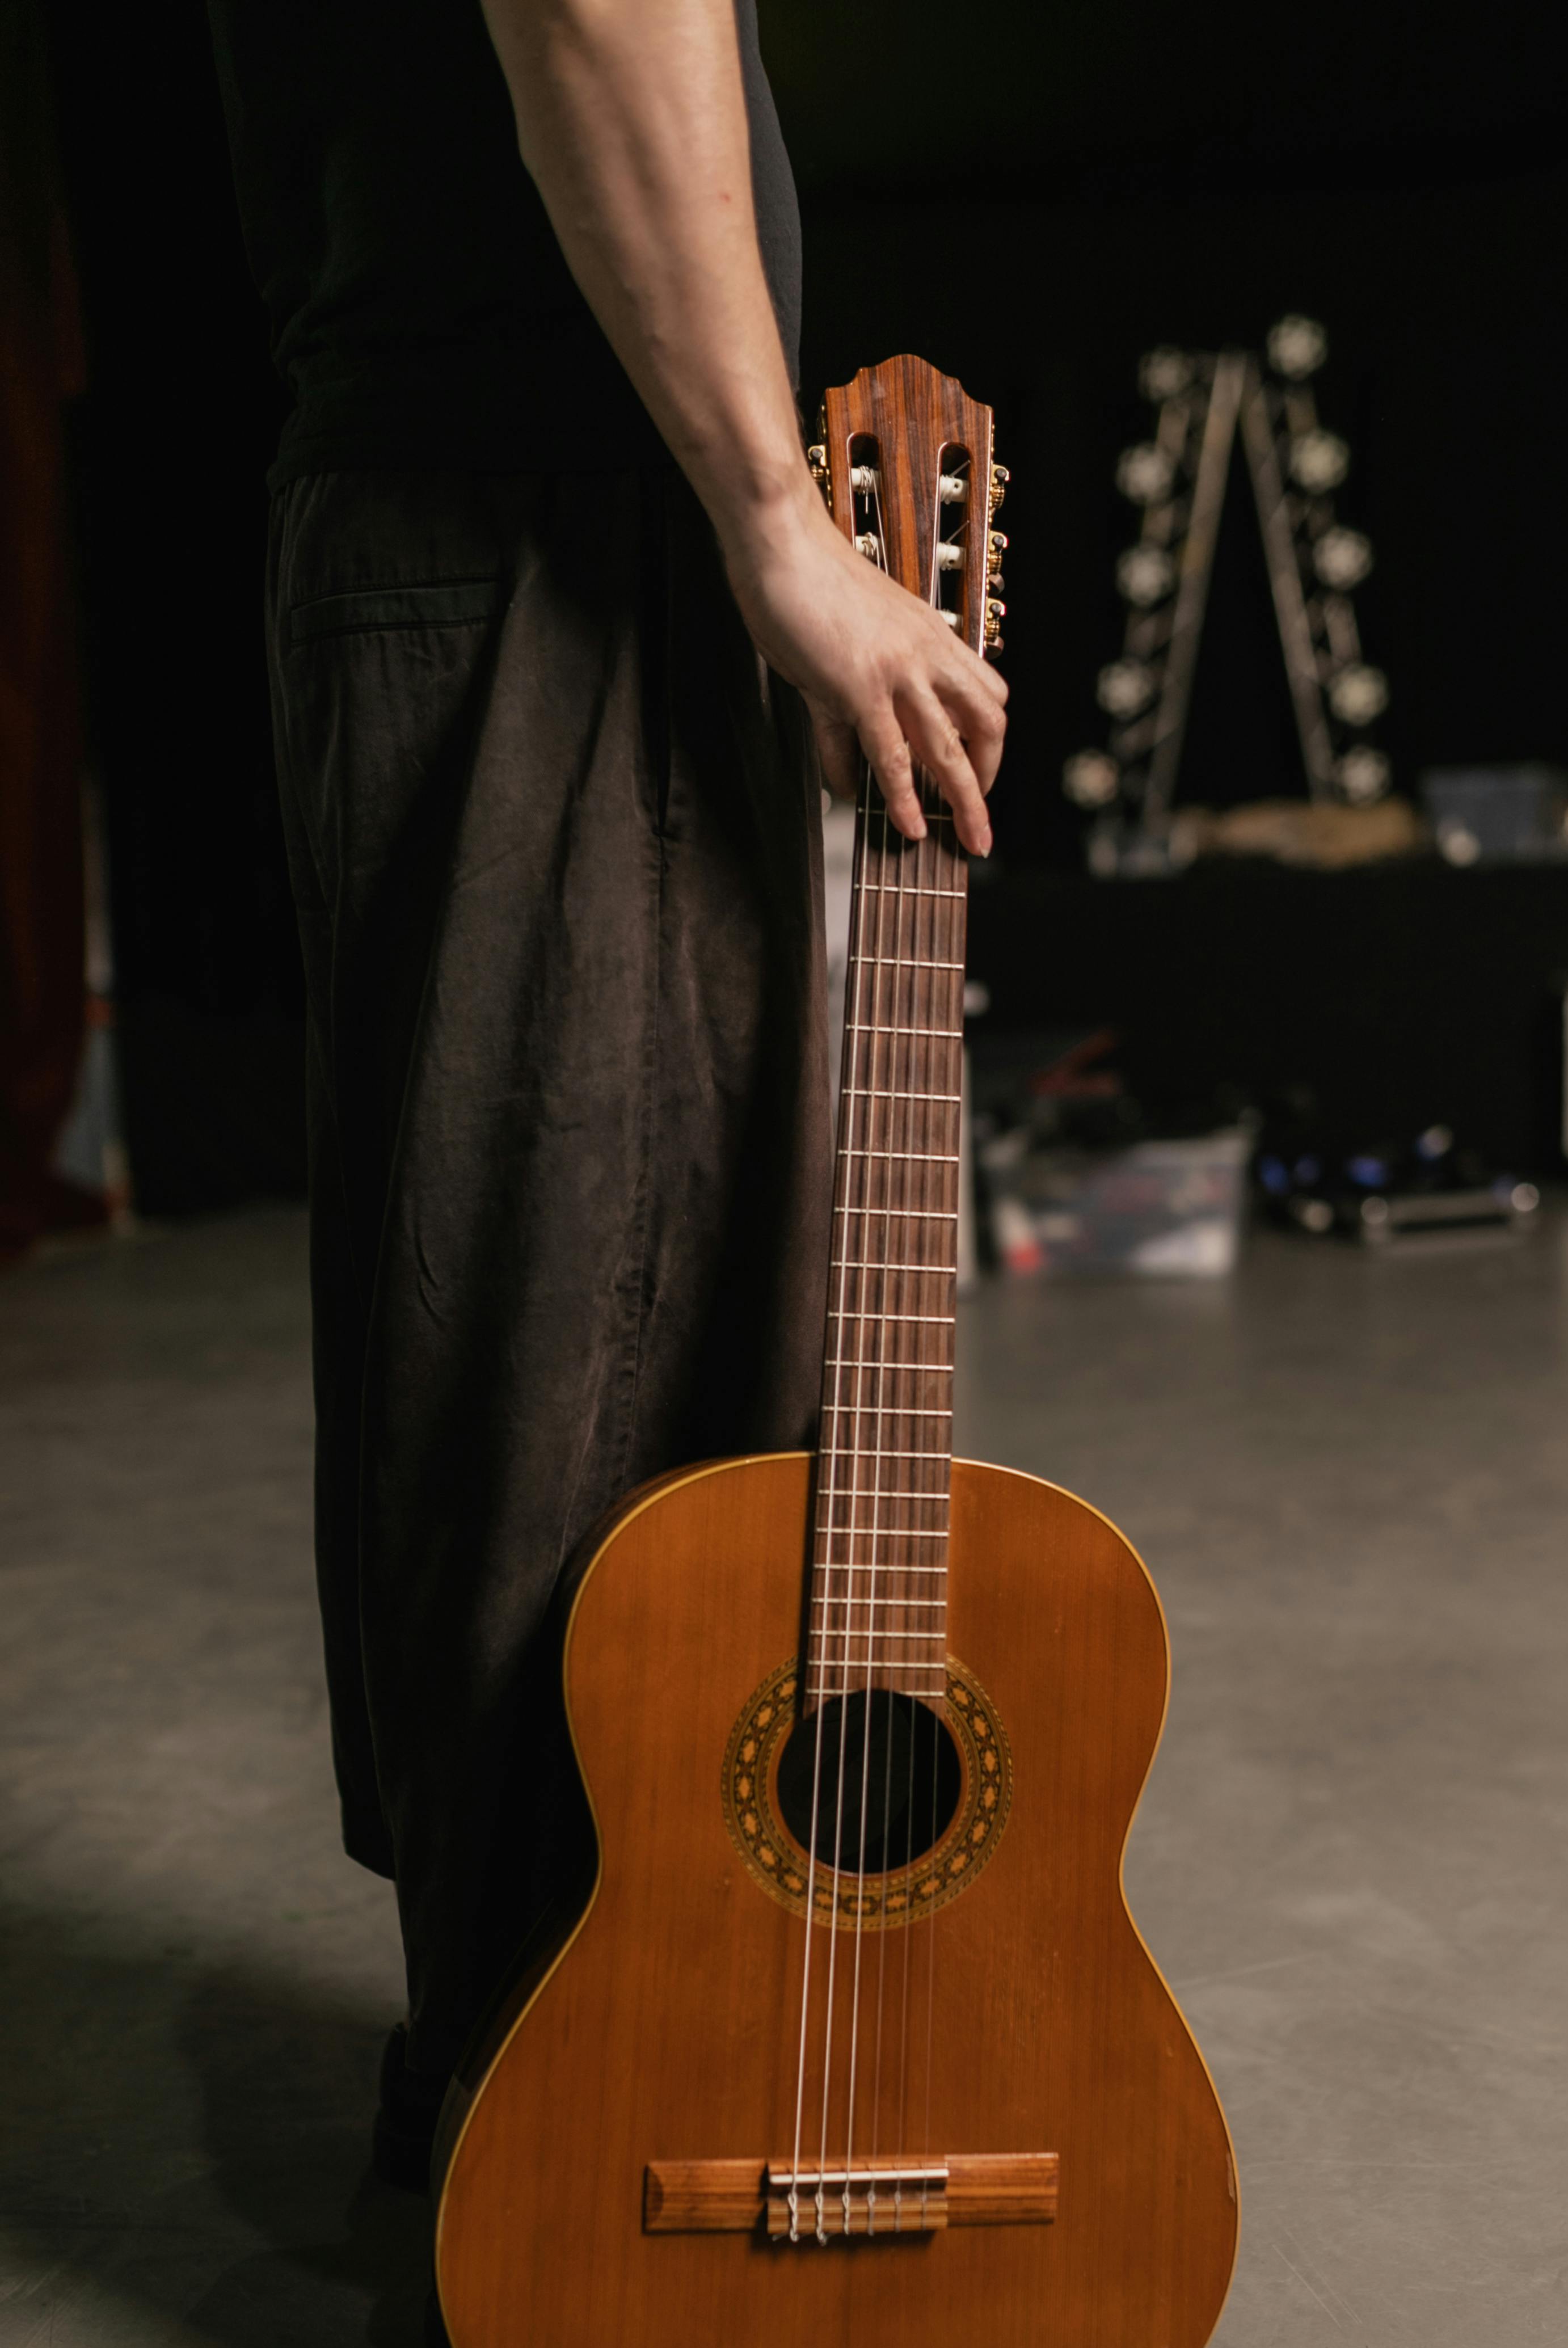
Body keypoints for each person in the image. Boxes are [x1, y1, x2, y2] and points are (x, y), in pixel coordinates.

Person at [206, 0, 1007, 2181]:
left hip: (523, 524)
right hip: (547, 529)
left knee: (575, 1363)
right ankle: (573, 2159)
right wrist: (769, 512)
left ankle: (566, 2089)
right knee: (571, 1382)